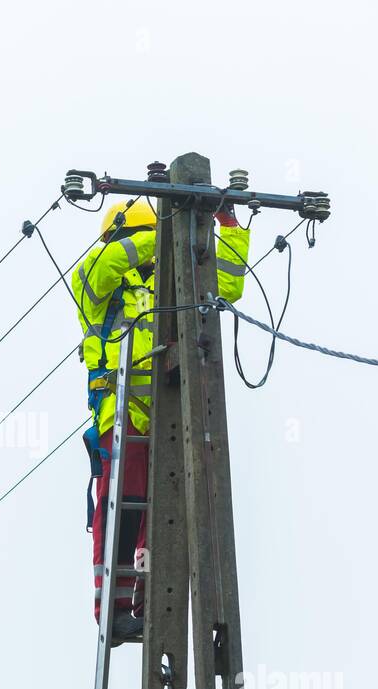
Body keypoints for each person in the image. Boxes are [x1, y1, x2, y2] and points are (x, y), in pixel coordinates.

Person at [73, 198, 250, 642]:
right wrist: (168, 237)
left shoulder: (169, 287)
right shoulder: (98, 278)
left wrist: (226, 225)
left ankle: (150, 602)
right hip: (121, 416)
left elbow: (226, 283)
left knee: (163, 520)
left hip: (170, 413)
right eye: (139, 239)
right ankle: (112, 608)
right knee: (124, 513)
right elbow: (108, 264)